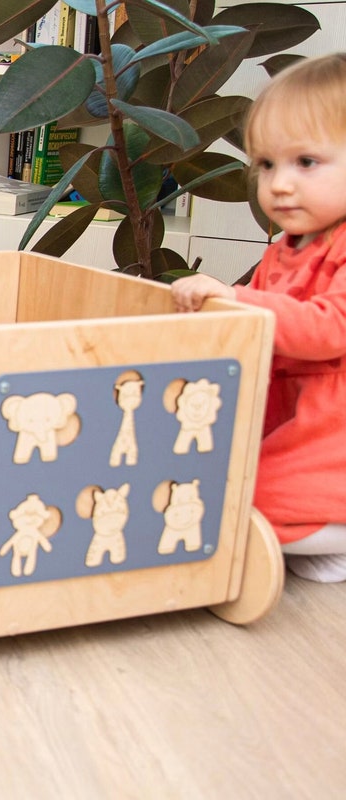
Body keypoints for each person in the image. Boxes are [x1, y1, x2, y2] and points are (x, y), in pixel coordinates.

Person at [170, 53, 346, 584]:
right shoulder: (287, 247)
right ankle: (309, 531)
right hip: (285, 417)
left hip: (331, 427)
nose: (279, 184)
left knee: (249, 499)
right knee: (211, 486)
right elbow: (256, 317)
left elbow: (329, 327)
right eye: (266, 165)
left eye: (306, 162)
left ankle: (330, 531)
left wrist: (235, 298)